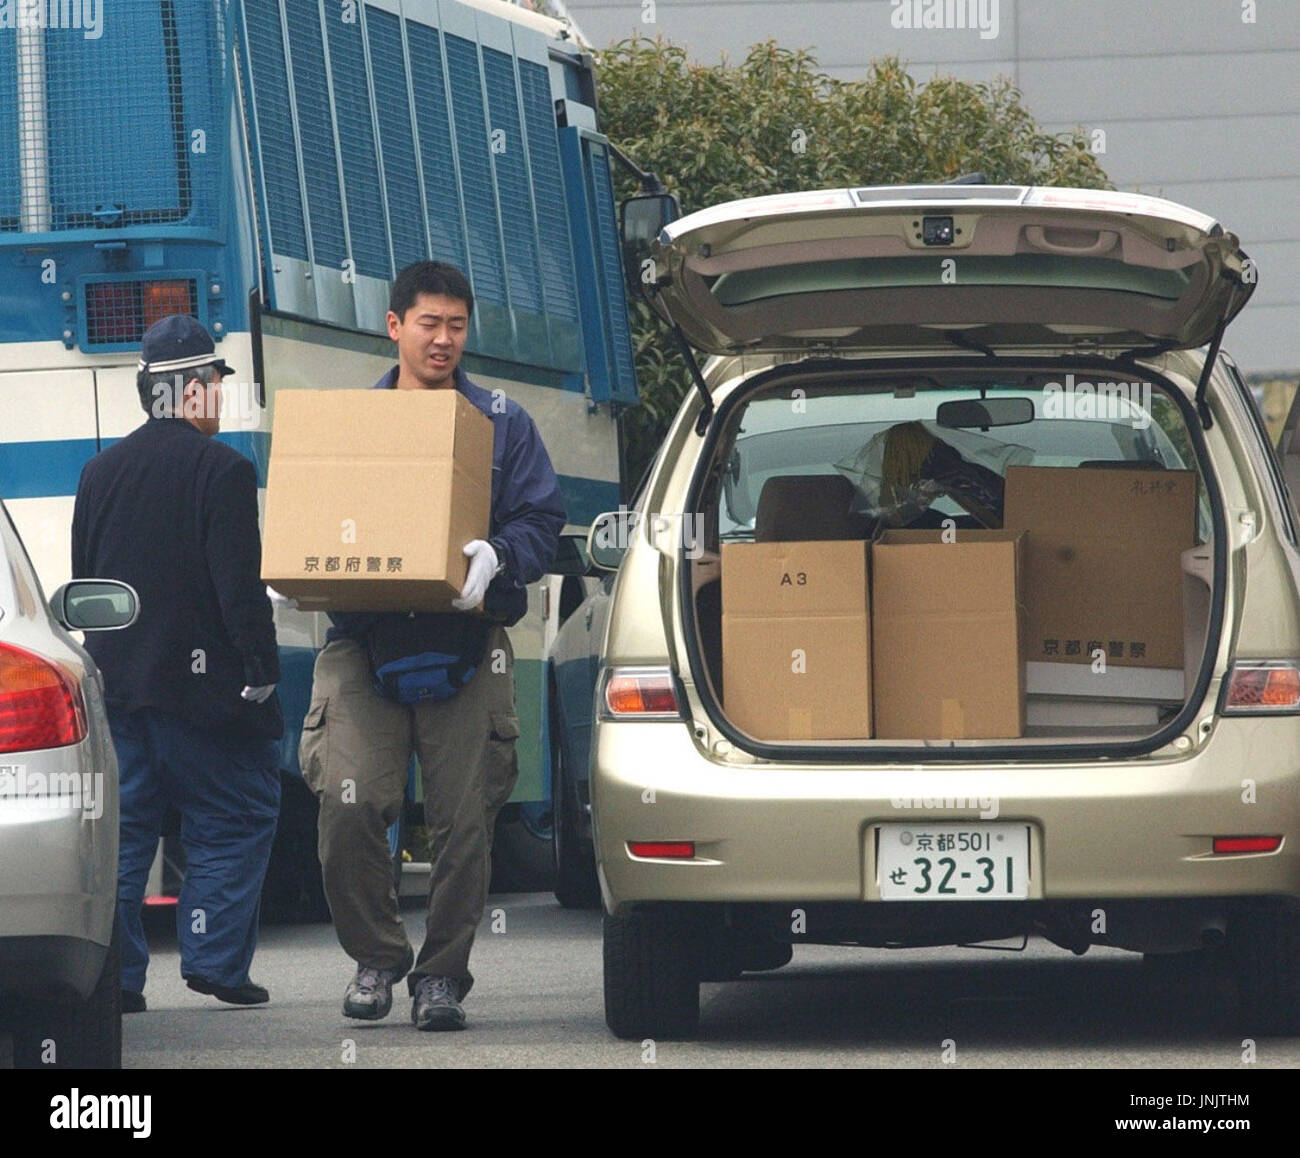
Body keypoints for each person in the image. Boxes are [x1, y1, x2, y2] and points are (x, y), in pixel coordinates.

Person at [298, 261, 565, 1031]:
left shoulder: (502, 423)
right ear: (394, 326)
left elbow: (540, 523)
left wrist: (500, 556)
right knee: (349, 805)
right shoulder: (356, 422)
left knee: (465, 820)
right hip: (363, 640)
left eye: (456, 325)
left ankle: (442, 975)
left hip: (468, 641)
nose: (443, 339)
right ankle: (377, 958)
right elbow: (313, 513)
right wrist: (296, 570)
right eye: (428, 324)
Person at [71, 315, 283, 1013]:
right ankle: (215, 962)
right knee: (234, 818)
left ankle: (122, 981)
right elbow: (237, 589)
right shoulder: (223, 471)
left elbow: (88, 585)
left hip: (119, 692)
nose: (220, 397)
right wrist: (261, 670)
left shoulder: (98, 473)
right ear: (191, 390)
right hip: (206, 698)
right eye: (216, 384)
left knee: (124, 840)